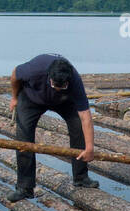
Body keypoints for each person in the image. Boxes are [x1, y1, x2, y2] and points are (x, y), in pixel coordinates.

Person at [7, 54, 98, 202]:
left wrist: (89, 148)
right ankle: (24, 188)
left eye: (62, 86)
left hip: (63, 101)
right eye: (55, 85)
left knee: (78, 128)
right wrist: (14, 97)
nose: (57, 88)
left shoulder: (75, 80)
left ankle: (81, 177)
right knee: (23, 139)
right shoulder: (34, 69)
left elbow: (85, 117)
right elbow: (14, 74)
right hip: (31, 98)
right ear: (49, 77)